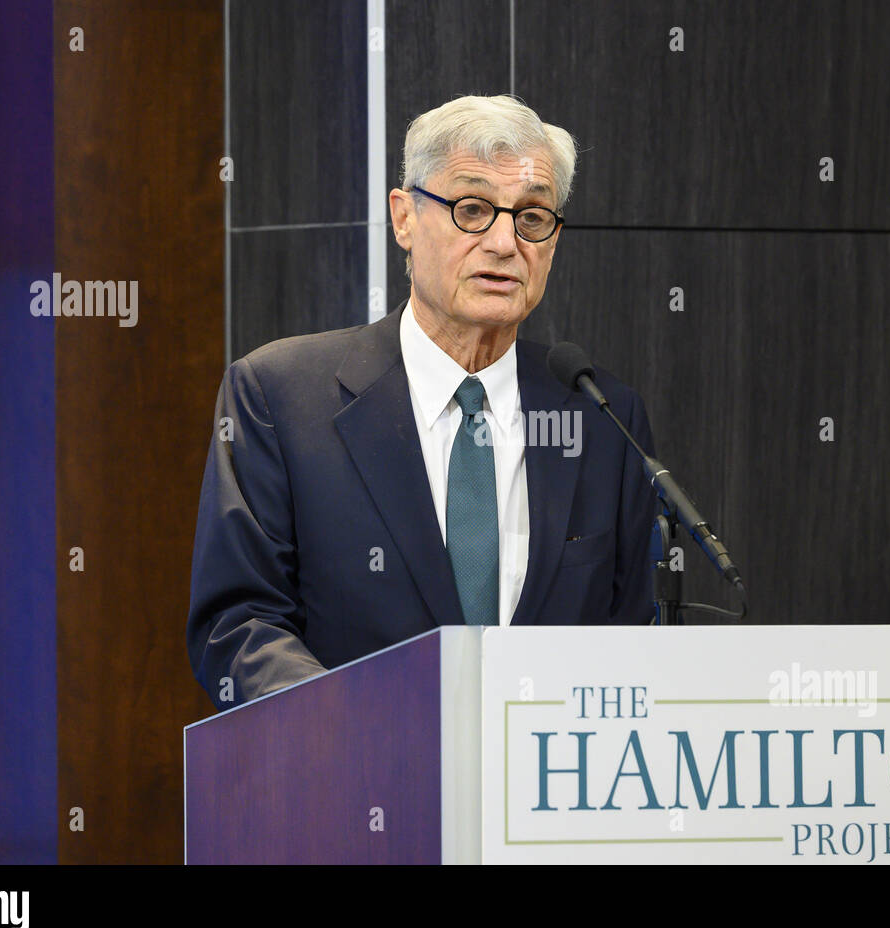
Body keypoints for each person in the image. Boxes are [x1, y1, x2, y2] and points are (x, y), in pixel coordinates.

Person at [187, 94, 658, 708]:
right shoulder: (279, 395)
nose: (503, 243)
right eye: (471, 209)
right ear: (404, 218)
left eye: (532, 218)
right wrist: (362, 737)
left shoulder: (601, 417)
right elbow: (240, 623)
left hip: (540, 790)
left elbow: (631, 637)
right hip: (352, 783)